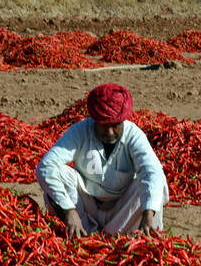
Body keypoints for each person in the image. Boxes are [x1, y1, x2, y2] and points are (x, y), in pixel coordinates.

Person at [36, 83, 168, 238]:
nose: (110, 131)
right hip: (86, 207)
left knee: (154, 180)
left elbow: (152, 172)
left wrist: (148, 214)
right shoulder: (81, 131)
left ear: (123, 120)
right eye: (104, 125)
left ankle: (145, 234)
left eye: (115, 125)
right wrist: (69, 210)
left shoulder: (134, 135)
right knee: (60, 173)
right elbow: (45, 166)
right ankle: (83, 231)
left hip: (122, 212)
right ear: (95, 120)